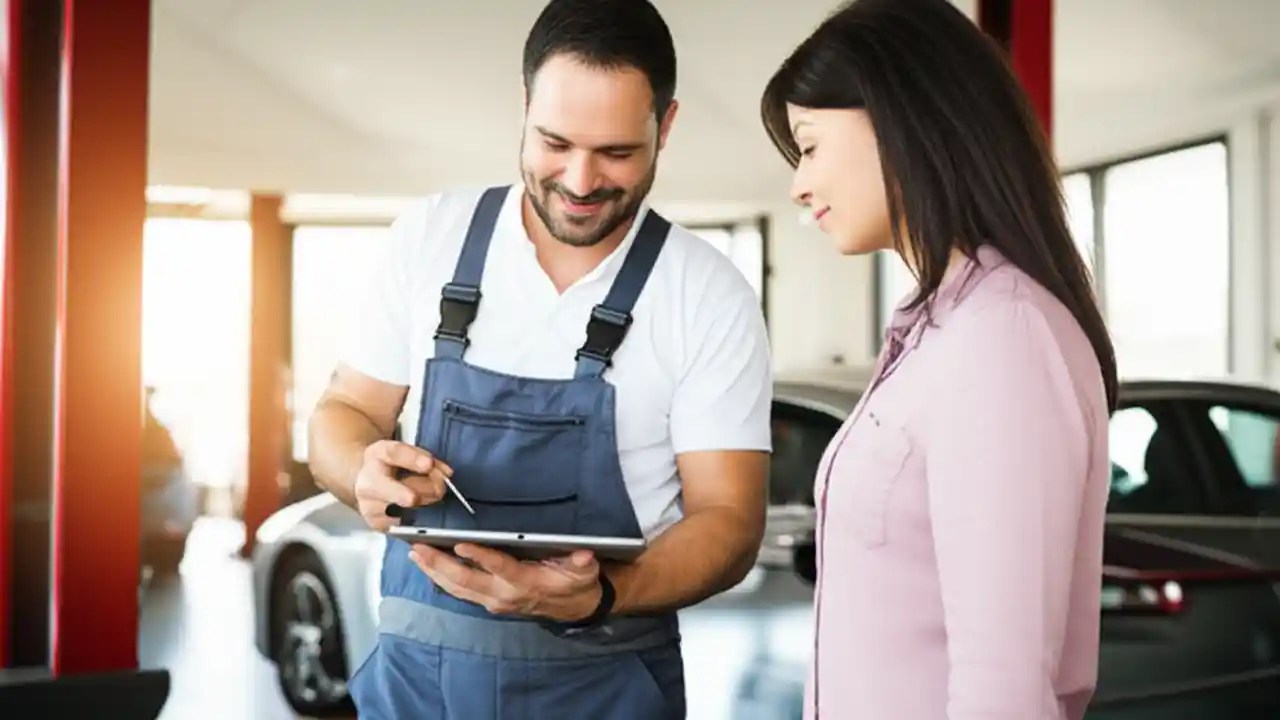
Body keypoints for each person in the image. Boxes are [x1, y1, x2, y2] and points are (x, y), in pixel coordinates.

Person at [306, 1, 773, 717]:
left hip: (605, 686)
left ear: (666, 126)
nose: (581, 181)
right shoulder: (430, 236)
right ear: (524, 107)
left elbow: (730, 520)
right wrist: (359, 470)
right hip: (415, 688)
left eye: (616, 152)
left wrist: (603, 593)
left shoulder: (707, 293)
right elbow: (345, 414)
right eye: (555, 142)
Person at [760, 0, 1118, 718]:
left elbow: (1002, 688)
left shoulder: (1002, 340)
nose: (799, 184)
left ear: (898, 119)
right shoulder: (939, 332)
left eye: (810, 145)